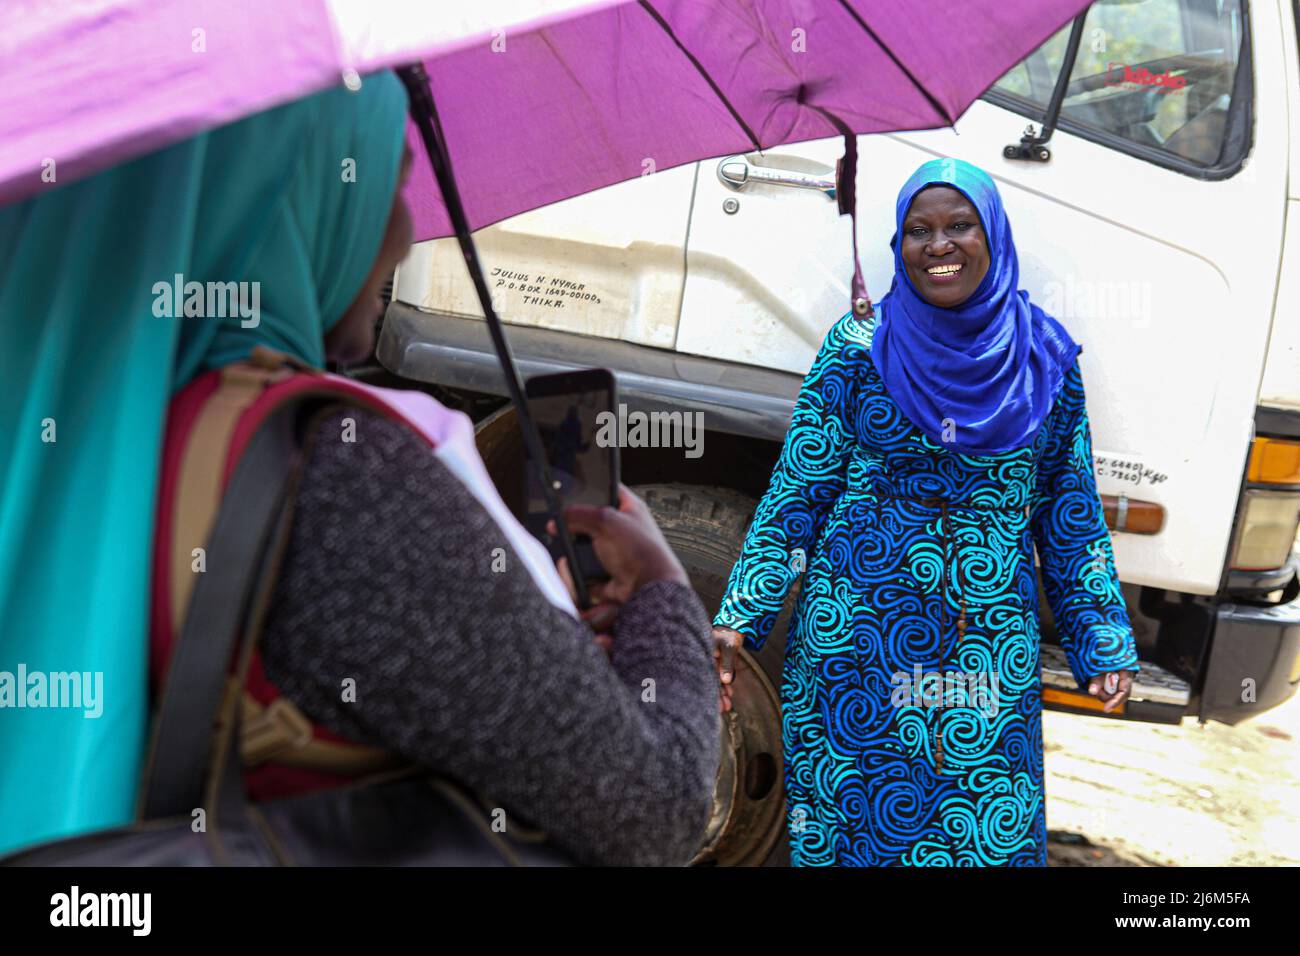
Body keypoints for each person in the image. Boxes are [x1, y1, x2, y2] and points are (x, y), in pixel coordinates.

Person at [0, 71, 719, 866]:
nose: (409, 233)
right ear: (289, 186)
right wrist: (661, 594)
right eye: (390, 181)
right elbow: (651, 812)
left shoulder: (79, 425)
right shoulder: (328, 471)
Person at [711, 158, 1139, 867]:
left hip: (985, 641)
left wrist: (1101, 637)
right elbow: (797, 495)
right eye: (919, 230)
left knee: (981, 829)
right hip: (858, 641)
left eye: (959, 226)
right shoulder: (857, 350)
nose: (939, 245)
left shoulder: (1044, 361)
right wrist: (740, 617)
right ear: (897, 246)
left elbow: (1069, 515)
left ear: (993, 235)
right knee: (851, 829)